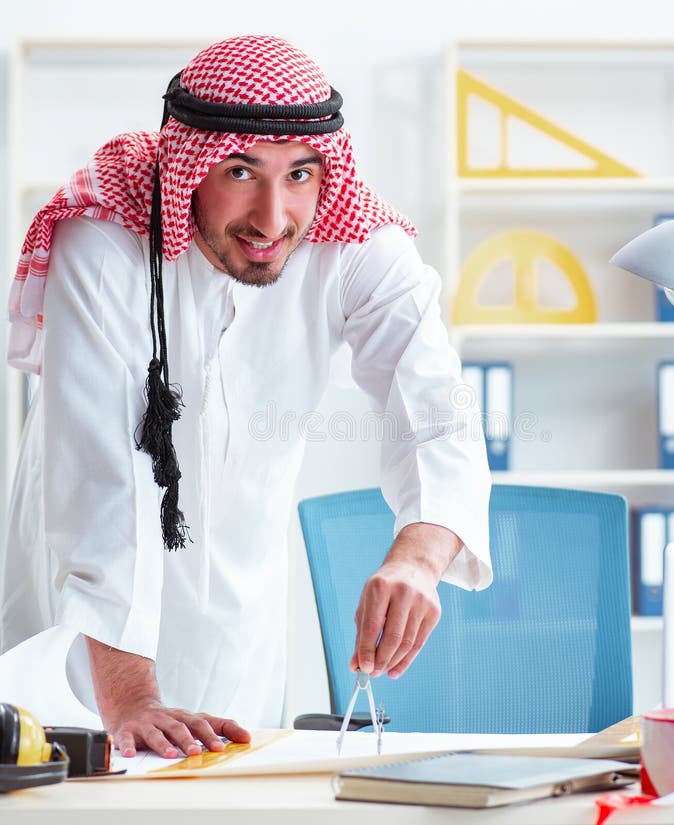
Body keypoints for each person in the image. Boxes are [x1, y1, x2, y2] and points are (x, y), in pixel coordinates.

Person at [0, 34, 492, 758]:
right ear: (188, 168)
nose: (272, 217)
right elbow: (107, 478)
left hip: (242, 592)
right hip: (87, 614)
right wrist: (131, 694)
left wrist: (418, 556)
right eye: (240, 171)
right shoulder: (104, 240)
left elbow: (438, 409)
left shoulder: (356, 244)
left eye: (299, 174)